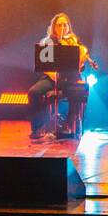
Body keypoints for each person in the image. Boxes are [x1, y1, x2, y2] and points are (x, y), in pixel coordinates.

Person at [27, 13, 97, 142]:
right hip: (51, 77)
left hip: (70, 78)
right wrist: (53, 75)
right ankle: (37, 128)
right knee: (33, 92)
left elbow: (79, 66)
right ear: (54, 27)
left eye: (65, 25)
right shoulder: (48, 42)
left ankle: (68, 126)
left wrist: (81, 61)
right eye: (59, 25)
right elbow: (44, 64)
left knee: (77, 91)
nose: (63, 28)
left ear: (69, 27)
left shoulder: (74, 42)